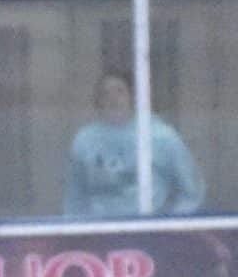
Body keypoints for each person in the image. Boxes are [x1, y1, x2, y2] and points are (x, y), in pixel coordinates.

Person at [64, 72, 205, 218]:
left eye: (119, 91)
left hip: (145, 228)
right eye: (105, 94)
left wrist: (168, 224)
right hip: (99, 228)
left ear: (133, 96)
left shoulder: (160, 136)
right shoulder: (84, 140)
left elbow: (191, 192)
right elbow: (75, 197)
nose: (113, 99)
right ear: (97, 101)